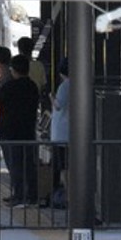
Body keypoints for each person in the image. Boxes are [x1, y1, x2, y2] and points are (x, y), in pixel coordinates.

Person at [0, 55, 41, 207]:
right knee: (28, 164)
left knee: (14, 164)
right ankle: (31, 195)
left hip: (10, 130)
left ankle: (18, 195)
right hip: (27, 129)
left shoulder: (10, 86)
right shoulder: (32, 86)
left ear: (13, 70)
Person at [49, 58, 70, 208]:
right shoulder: (81, 84)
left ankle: (68, 195)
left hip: (61, 133)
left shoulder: (65, 86)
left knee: (63, 167)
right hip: (69, 132)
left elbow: (58, 105)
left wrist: (51, 98)